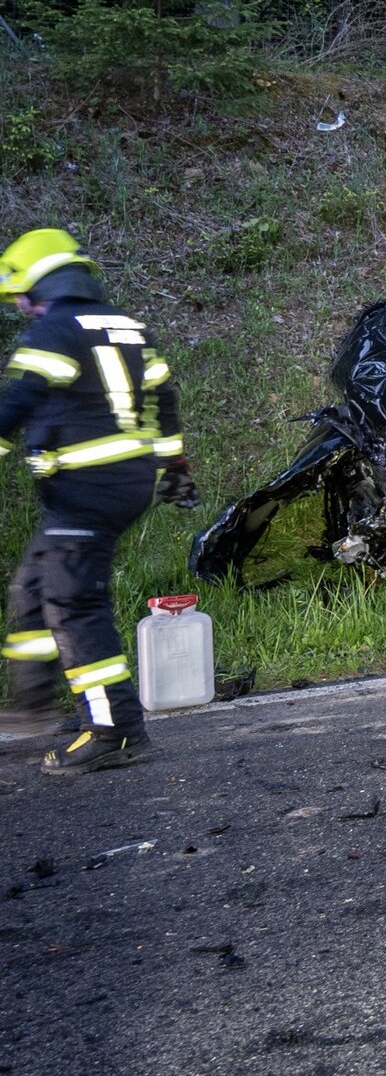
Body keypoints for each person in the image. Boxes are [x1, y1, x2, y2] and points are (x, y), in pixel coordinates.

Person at [0, 229, 194, 775]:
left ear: (42, 280)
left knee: (73, 604)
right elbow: (165, 399)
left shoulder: (56, 329)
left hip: (88, 490)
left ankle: (116, 730)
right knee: (36, 586)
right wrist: (174, 467)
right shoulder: (127, 326)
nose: (19, 305)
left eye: (20, 292)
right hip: (118, 486)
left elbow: (20, 401)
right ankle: (36, 707)